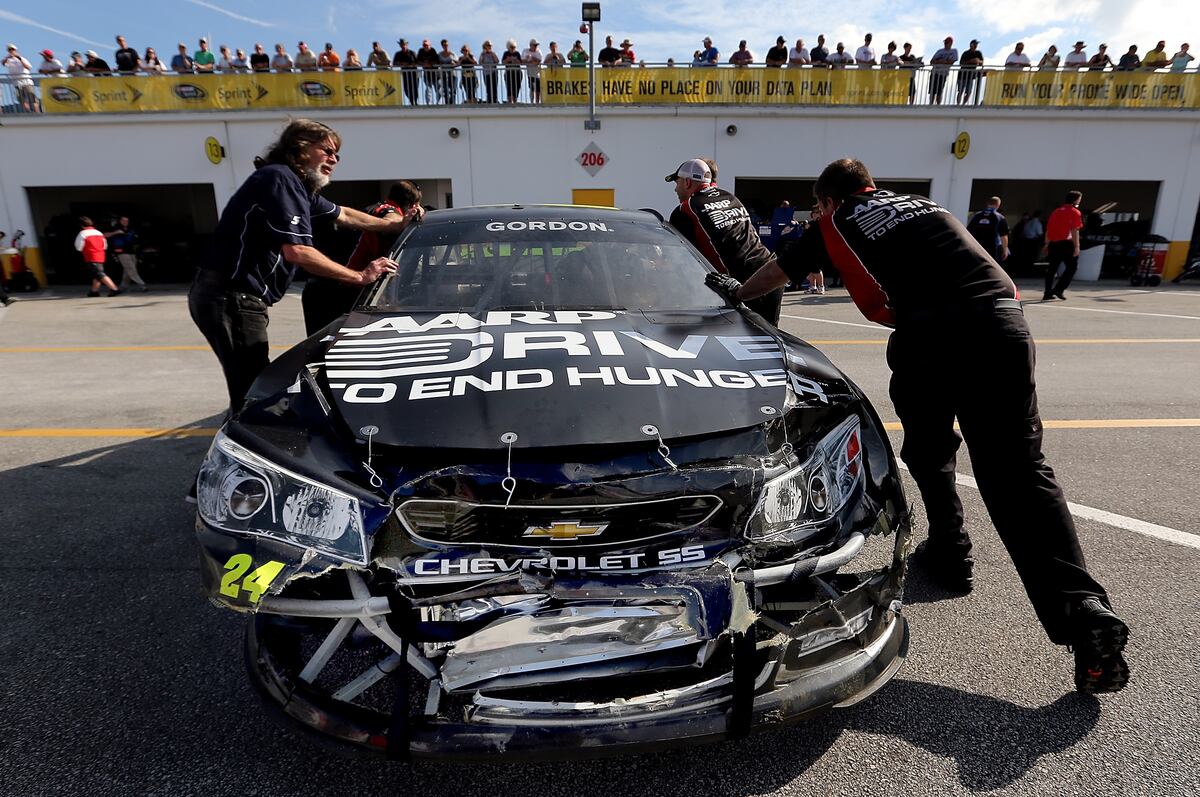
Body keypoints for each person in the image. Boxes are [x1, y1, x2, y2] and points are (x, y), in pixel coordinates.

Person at [708, 158, 1130, 694]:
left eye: (819, 206)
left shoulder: (837, 219)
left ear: (829, 200)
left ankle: (953, 553)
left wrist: (734, 294)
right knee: (1020, 474)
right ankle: (1086, 614)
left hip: (932, 333)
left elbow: (775, 274)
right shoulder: (927, 205)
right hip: (1004, 325)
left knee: (929, 450)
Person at [189, 119, 423, 416]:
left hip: (233, 297)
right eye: (327, 150)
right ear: (299, 147)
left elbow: (346, 215)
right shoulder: (280, 179)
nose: (334, 159)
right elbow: (298, 252)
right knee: (253, 390)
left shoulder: (296, 187)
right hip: (230, 296)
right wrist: (360, 276)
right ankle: (244, 454)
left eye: (337, 154)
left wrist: (397, 225)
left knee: (254, 385)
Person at [665, 158, 782, 324]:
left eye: (677, 182)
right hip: (769, 273)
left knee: (739, 341)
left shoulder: (686, 210)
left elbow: (685, 263)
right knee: (769, 339)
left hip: (743, 285)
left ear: (688, 182)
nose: (675, 189)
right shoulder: (729, 196)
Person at [301, 180, 423, 335]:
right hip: (338, 290)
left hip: (328, 286)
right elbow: (390, 218)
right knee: (330, 348)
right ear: (413, 204)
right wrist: (402, 220)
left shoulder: (374, 209)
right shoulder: (386, 211)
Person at [1044, 190, 1084, 300]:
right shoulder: (1075, 212)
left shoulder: (1056, 211)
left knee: (1052, 269)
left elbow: (1048, 229)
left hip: (1053, 243)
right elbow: (1074, 230)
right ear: (1076, 200)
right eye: (1079, 199)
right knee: (1072, 267)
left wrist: (1047, 243)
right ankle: (1059, 289)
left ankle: (1047, 292)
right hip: (1066, 244)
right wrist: (1077, 246)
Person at [75, 217, 121, 297]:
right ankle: (94, 291)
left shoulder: (83, 233)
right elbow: (105, 246)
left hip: (91, 256)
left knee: (100, 274)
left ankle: (114, 289)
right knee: (96, 274)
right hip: (101, 256)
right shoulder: (99, 232)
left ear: (81, 225)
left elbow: (78, 247)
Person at [105, 215, 148, 292]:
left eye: (127, 221)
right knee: (131, 268)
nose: (125, 222)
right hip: (121, 252)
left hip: (132, 251)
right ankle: (142, 284)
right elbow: (105, 235)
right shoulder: (115, 228)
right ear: (120, 221)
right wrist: (116, 232)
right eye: (124, 220)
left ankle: (123, 286)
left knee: (128, 270)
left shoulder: (130, 229)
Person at [965, 197, 1010, 265]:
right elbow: (1003, 236)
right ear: (998, 205)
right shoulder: (999, 217)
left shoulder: (977, 215)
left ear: (987, 204)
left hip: (978, 246)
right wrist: (1005, 249)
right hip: (993, 248)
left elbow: (968, 232)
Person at [3, 45, 37, 113]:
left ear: (16, 50)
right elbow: (3, 63)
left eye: (13, 50)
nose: (11, 51)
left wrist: (19, 58)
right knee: (21, 100)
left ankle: (37, 113)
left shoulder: (23, 58)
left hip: (27, 81)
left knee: (32, 99)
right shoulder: (8, 60)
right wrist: (8, 57)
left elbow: (28, 67)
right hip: (17, 83)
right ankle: (29, 112)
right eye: (10, 50)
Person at [929, 37, 958, 104]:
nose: (945, 44)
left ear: (951, 43)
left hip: (943, 74)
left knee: (939, 91)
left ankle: (938, 105)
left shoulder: (954, 51)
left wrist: (941, 61)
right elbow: (932, 61)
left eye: (947, 42)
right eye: (945, 42)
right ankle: (930, 104)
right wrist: (941, 61)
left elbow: (951, 62)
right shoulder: (940, 51)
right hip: (935, 72)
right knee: (932, 91)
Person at [957, 39, 984, 104]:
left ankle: (963, 104)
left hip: (970, 76)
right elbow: (961, 63)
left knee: (968, 92)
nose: (976, 45)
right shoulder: (966, 53)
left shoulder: (978, 53)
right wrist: (971, 61)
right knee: (960, 91)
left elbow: (982, 62)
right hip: (962, 75)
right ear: (971, 45)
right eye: (974, 44)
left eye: (976, 44)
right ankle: (958, 104)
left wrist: (978, 61)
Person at [393, 40, 418, 104]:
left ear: (407, 45)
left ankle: (414, 102)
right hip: (405, 74)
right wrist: (402, 64)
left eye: (404, 44)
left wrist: (411, 65)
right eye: (402, 45)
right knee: (406, 89)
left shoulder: (412, 53)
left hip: (414, 74)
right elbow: (394, 64)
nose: (403, 46)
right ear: (400, 46)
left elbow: (418, 62)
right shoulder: (398, 54)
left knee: (415, 88)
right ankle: (412, 101)